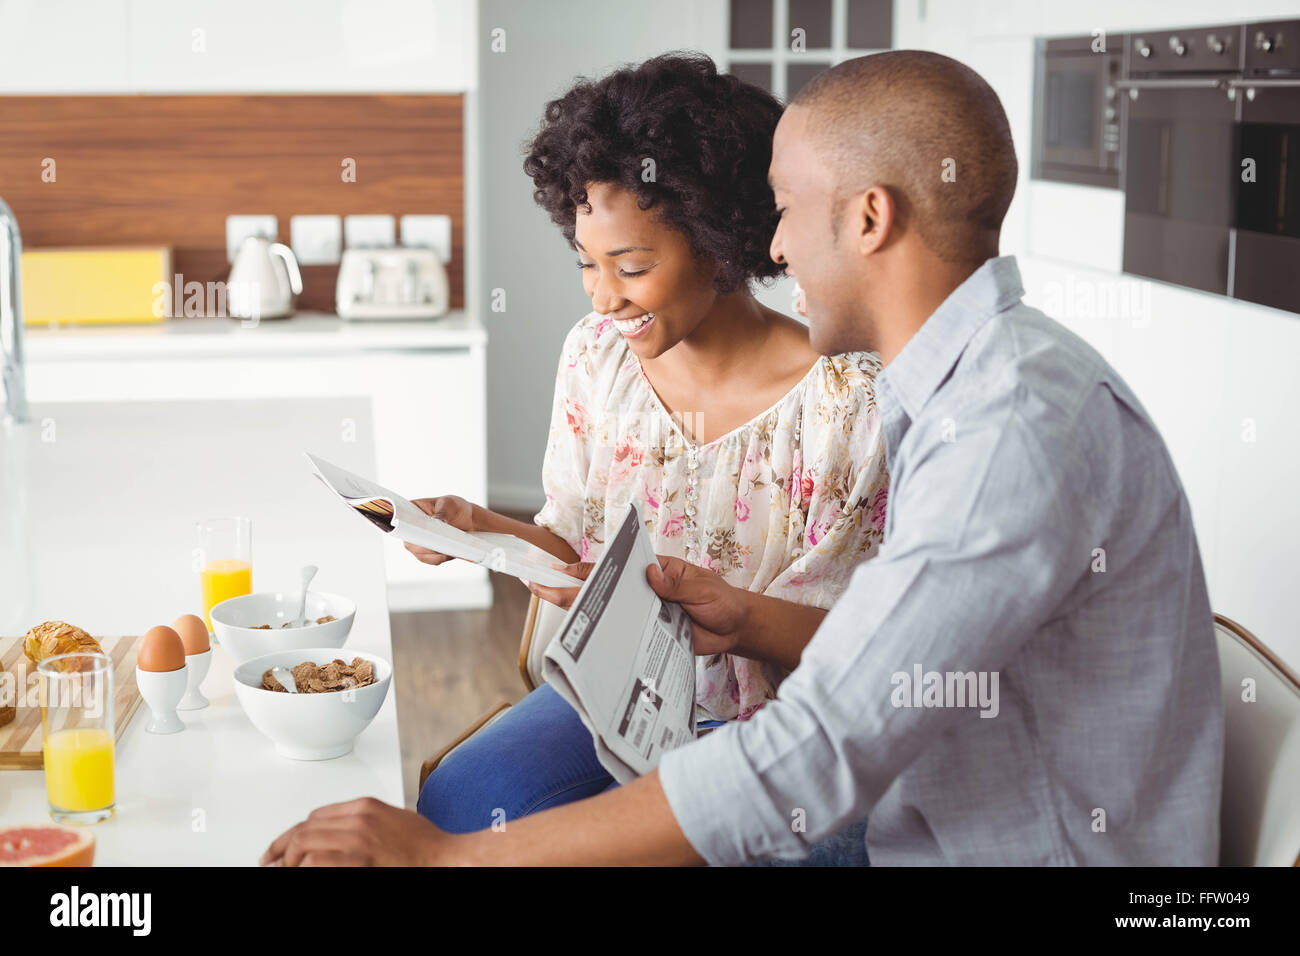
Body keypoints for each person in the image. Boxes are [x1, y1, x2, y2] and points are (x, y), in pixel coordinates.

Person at [261, 50, 1223, 867]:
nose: (768, 242)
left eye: (785, 208)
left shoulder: (1005, 424)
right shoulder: (976, 384)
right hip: (928, 795)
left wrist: (453, 860)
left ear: (869, 218)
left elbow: (816, 748)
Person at [407, 53, 888, 841]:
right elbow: (573, 548)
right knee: (462, 806)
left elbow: (858, 648)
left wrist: (737, 621)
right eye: (587, 264)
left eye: (631, 268)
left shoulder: (848, 403)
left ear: (718, 243)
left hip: (775, 733)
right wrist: (480, 530)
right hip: (615, 705)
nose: (603, 297)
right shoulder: (596, 357)